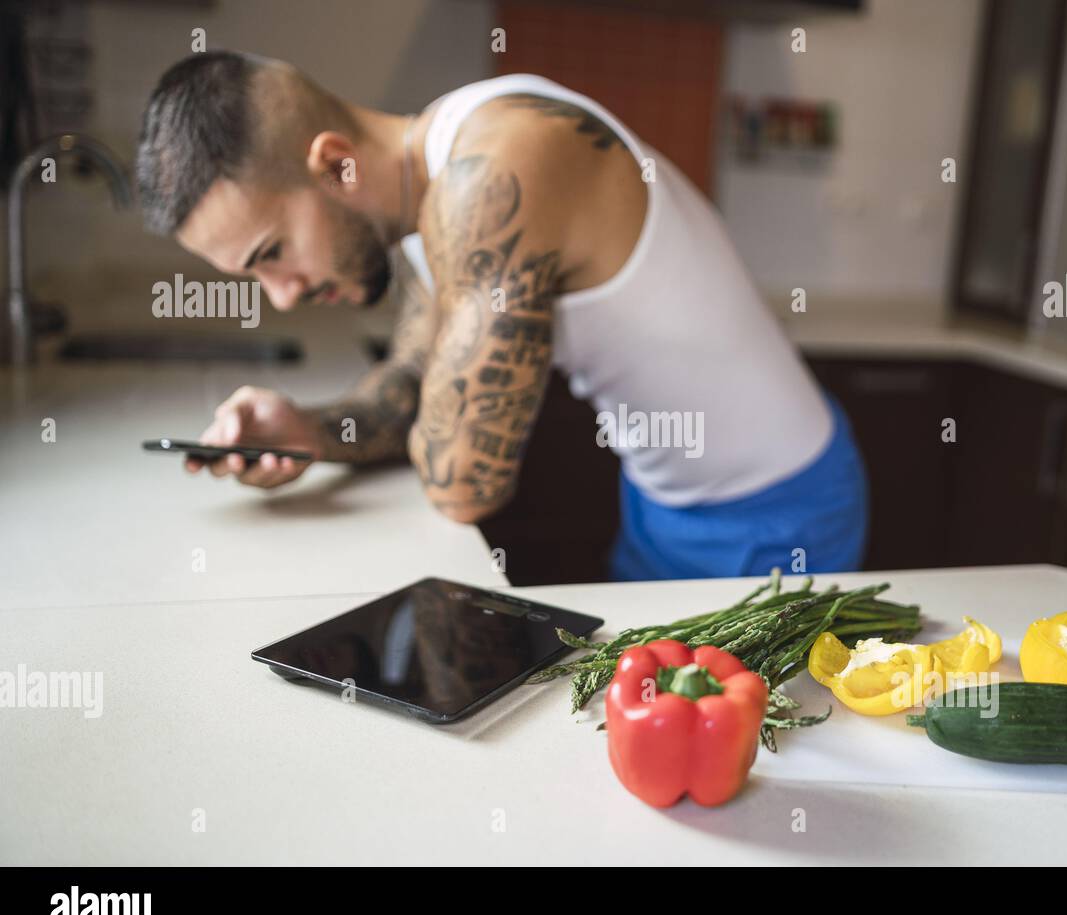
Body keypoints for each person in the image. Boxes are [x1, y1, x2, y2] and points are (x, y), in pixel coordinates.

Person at [136, 52, 868, 580]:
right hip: (659, 501)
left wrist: (429, 413)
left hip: (776, 516)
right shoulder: (431, 184)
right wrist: (307, 432)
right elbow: (415, 384)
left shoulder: (491, 173)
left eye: (272, 253)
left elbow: (462, 485)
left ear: (336, 166)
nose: (284, 295)